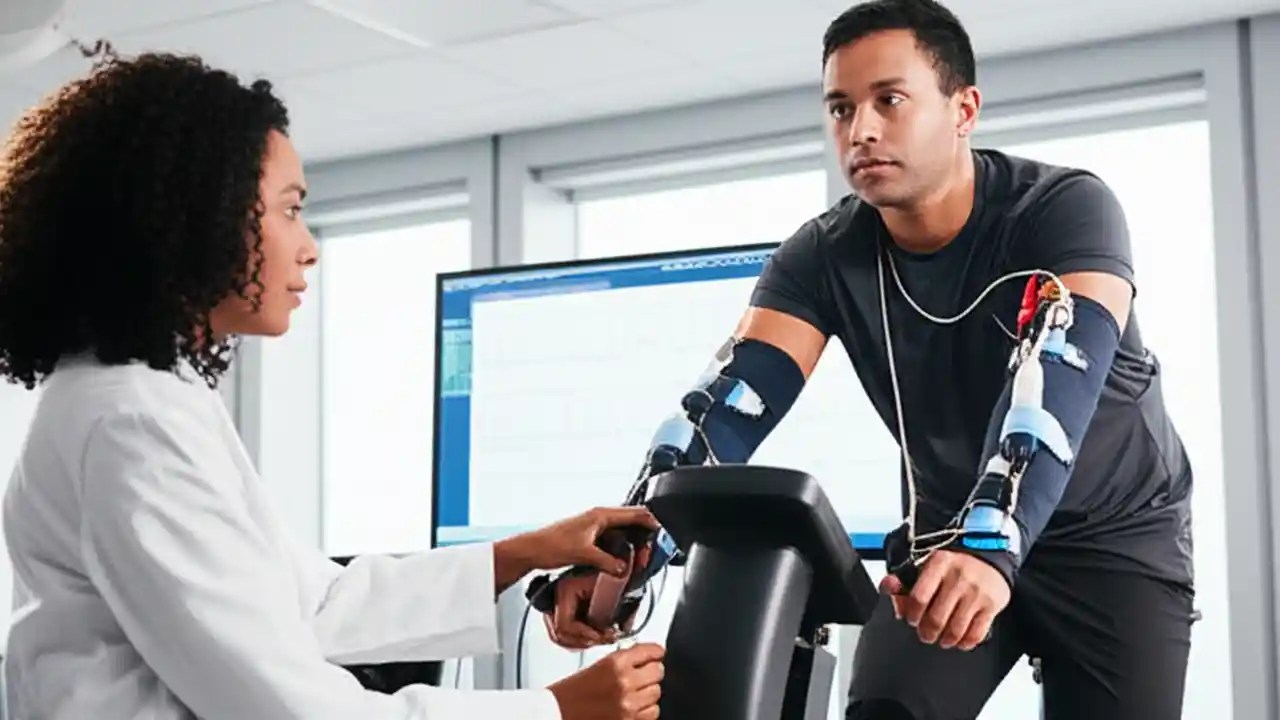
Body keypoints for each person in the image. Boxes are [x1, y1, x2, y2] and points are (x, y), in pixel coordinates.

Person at [542, 1, 1196, 718]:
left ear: (963, 109)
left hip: (1111, 541)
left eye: (890, 100)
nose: (862, 130)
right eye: (841, 108)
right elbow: (725, 409)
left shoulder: (1065, 210)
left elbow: (1057, 380)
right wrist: (623, 557)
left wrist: (992, 549)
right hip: (951, 534)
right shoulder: (822, 254)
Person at [0, 52, 664, 720]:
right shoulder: (131, 422)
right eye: (289, 210)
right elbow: (289, 708)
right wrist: (554, 710)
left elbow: (313, 605)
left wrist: (525, 553)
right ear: (193, 217)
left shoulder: (139, 398)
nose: (309, 246)